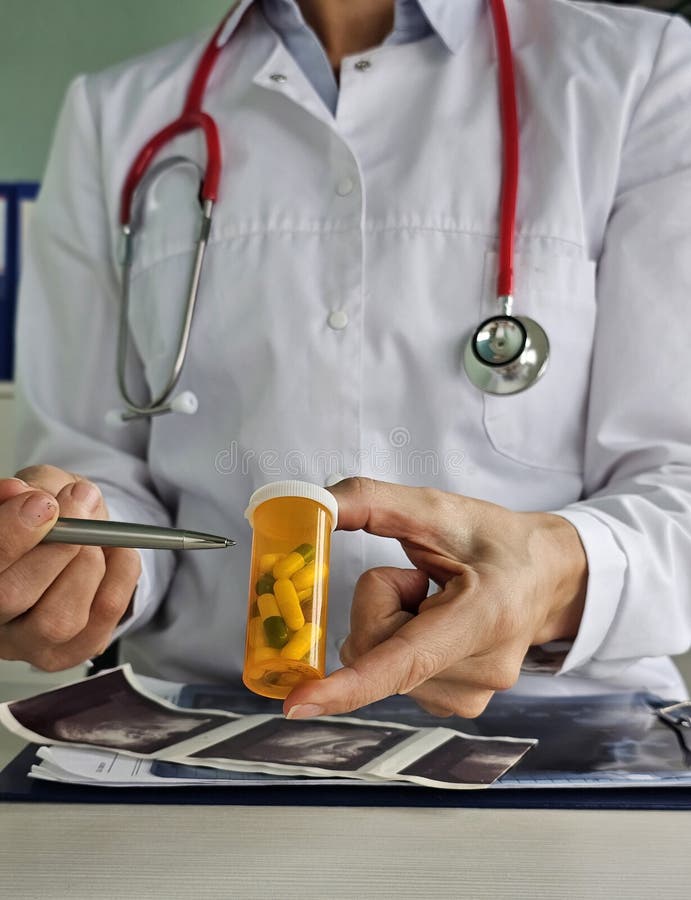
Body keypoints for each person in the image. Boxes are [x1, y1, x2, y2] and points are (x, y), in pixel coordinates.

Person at [2, 0, 691, 721]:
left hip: (558, 733)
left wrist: (549, 580)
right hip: (209, 735)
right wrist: (83, 568)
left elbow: (676, 482)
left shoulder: (639, 74)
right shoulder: (116, 114)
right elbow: (97, 471)